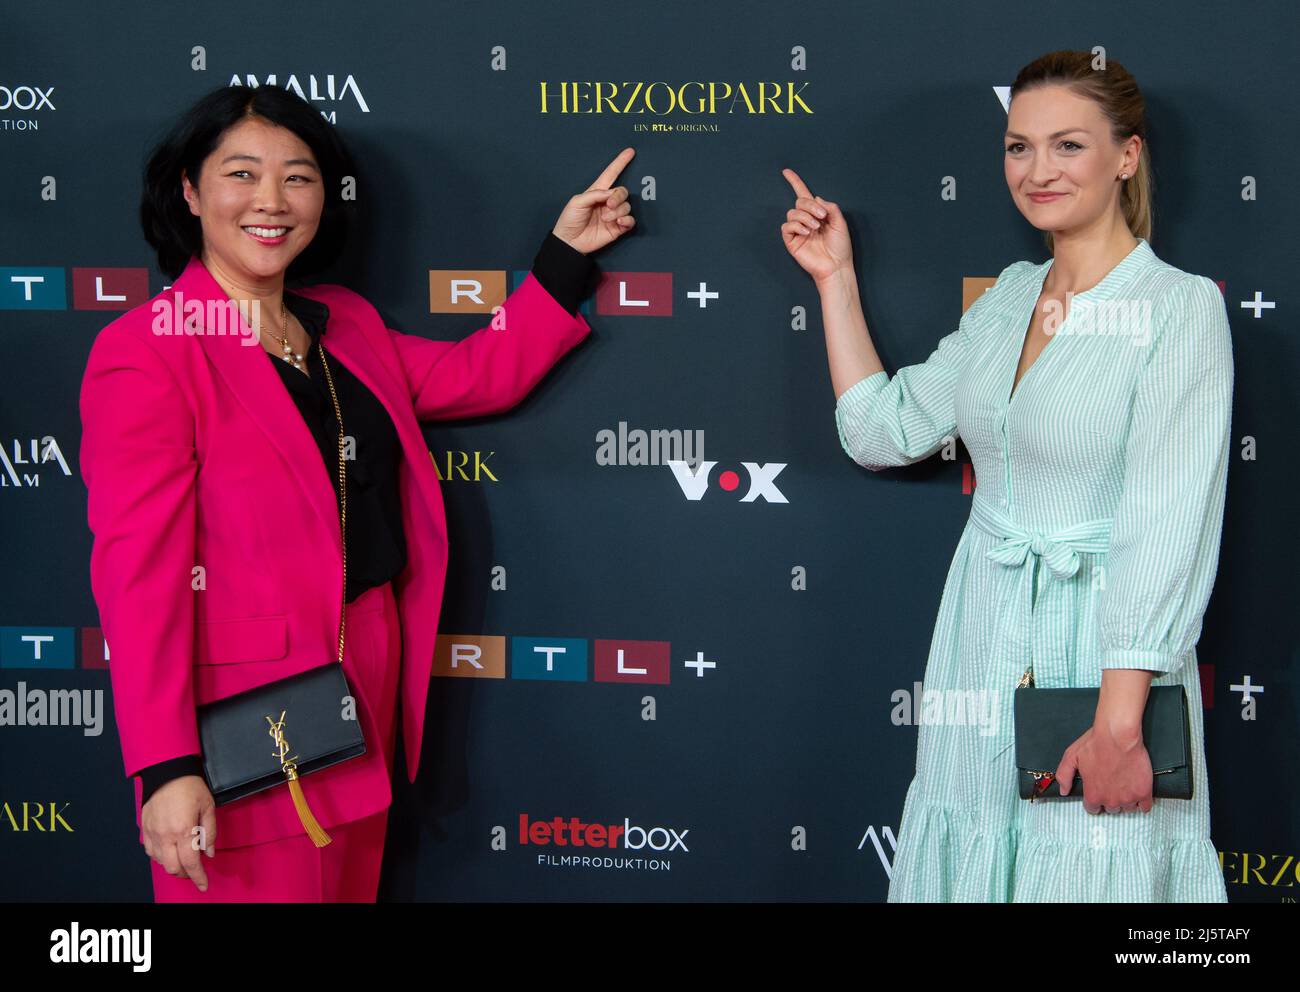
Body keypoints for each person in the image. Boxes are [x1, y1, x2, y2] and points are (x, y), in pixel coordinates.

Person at [78, 83, 636, 901]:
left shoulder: (341, 322)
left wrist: (562, 257)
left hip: (362, 688)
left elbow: (475, 377)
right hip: (243, 722)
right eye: (242, 174)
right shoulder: (148, 353)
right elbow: (139, 579)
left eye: (298, 177)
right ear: (191, 194)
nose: (272, 201)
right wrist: (164, 767)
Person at [780, 50, 1232, 901]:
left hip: (1104, 651)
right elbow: (886, 429)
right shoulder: (1007, 298)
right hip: (981, 639)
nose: (1037, 171)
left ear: (1125, 156)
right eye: (1018, 147)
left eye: (1068, 146)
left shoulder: (1180, 307)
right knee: (975, 846)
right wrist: (834, 280)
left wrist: (1119, 723)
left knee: (1094, 870)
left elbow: (1168, 521)